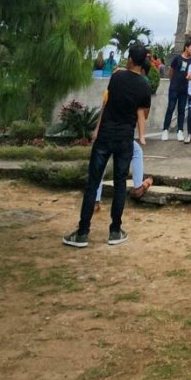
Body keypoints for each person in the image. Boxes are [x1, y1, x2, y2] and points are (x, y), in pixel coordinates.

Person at [63, 41, 152, 248]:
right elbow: (144, 114)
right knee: (120, 184)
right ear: (144, 62)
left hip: (105, 136)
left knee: (93, 182)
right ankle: (114, 231)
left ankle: (83, 232)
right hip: (124, 139)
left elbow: (108, 102)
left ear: (130, 59)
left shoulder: (117, 76)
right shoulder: (145, 86)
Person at [161, 41, 191, 139]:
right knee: (170, 108)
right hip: (174, 88)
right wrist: (173, 81)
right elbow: (171, 70)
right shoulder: (177, 58)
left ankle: (180, 131)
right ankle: (165, 130)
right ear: (186, 47)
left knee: (181, 110)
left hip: (184, 89)